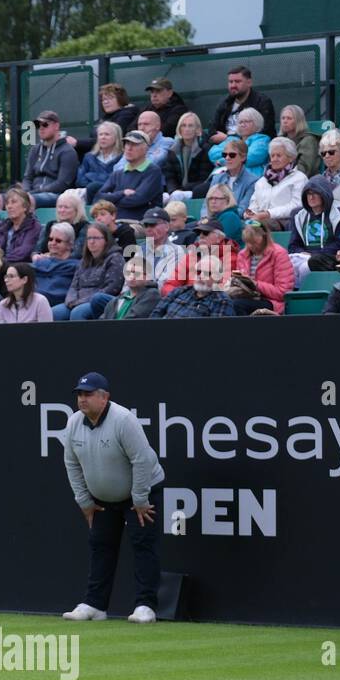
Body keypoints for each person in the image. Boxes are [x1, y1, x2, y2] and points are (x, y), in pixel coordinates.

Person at [61, 372, 165, 624]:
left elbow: (141, 460)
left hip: (141, 494)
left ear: (104, 397)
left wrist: (140, 499)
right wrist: (84, 502)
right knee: (100, 546)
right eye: (80, 395)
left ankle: (145, 606)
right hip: (103, 500)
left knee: (142, 546)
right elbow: (71, 463)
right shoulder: (74, 423)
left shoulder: (123, 420)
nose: (82, 399)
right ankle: (95, 605)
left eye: (88, 394)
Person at [55, 222, 123, 321]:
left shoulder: (115, 258)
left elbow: (112, 288)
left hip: (98, 302)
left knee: (77, 313)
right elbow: (74, 286)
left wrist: (81, 301)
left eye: (96, 238)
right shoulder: (83, 261)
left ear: (106, 240)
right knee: (54, 313)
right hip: (76, 301)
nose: (91, 242)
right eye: (89, 238)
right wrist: (71, 300)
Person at [287, 176, 340, 281]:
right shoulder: (298, 216)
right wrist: (301, 253)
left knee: (309, 263)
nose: (311, 197)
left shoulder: (339, 215)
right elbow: (293, 245)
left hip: (328, 258)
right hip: (304, 257)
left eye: (315, 193)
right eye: (308, 194)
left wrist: (314, 254)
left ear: (324, 194)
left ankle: (301, 290)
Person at [98, 130, 164, 221]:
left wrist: (112, 199)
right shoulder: (118, 173)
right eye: (127, 144)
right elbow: (100, 197)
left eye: (134, 144)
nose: (129, 148)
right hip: (117, 224)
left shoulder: (153, 171)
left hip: (145, 226)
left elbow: (137, 199)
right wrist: (122, 193)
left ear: (146, 149)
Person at [245, 137, 308, 230]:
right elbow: (254, 204)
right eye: (272, 156)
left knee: (256, 226)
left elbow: (297, 205)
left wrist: (269, 213)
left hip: (286, 222)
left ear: (291, 158)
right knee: (237, 225)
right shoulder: (262, 181)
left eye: (278, 155)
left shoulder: (299, 178)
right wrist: (250, 212)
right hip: (261, 220)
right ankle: (222, 245)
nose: (274, 159)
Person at [207, 65, 276, 149]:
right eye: (230, 82)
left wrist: (227, 139)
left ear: (249, 82)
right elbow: (212, 128)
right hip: (225, 148)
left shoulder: (262, 102)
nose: (233, 85)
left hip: (251, 147)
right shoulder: (225, 102)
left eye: (237, 81)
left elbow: (265, 132)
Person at [20, 110, 78, 208]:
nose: (41, 128)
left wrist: (32, 193)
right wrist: (25, 192)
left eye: (45, 124)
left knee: (29, 200)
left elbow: (62, 184)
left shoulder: (68, 151)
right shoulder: (35, 149)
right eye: (38, 125)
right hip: (32, 193)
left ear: (56, 126)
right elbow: (27, 177)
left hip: (56, 195)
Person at [150, 255, 237, 318]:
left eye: (208, 273)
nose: (201, 276)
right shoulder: (179, 291)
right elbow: (156, 314)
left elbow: (215, 334)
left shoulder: (222, 301)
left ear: (218, 278)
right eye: (199, 272)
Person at [235, 221, 294, 313]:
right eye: (248, 242)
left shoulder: (279, 254)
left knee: (238, 305)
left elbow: (283, 292)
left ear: (264, 237)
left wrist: (256, 285)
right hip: (249, 298)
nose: (250, 246)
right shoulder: (242, 255)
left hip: (273, 302)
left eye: (254, 242)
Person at [162, 112, 214, 202]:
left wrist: (183, 189)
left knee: (177, 196)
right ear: (179, 129)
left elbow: (204, 179)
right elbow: (170, 177)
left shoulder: (205, 149)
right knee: (162, 197)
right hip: (176, 191)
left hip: (196, 192)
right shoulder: (173, 150)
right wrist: (173, 190)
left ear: (197, 129)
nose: (186, 129)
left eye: (190, 126)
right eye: (183, 125)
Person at [207, 108, 271, 173]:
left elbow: (251, 158)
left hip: (250, 178)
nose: (243, 125)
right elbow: (213, 153)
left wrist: (223, 161)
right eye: (240, 122)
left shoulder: (262, 139)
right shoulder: (232, 139)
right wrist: (232, 156)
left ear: (257, 123)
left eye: (247, 121)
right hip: (223, 177)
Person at [100, 254, 160, 319]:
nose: (131, 276)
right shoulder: (117, 300)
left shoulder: (152, 295)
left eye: (136, 273)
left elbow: (132, 320)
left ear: (147, 276)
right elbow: (101, 322)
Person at [32, 222, 79, 305]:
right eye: (50, 239)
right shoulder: (40, 262)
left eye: (58, 241)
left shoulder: (74, 266)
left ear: (69, 245)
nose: (53, 243)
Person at [0, 186, 41, 263]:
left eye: (13, 202)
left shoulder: (33, 226)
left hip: (19, 267)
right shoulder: (3, 226)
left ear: (25, 206)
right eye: (7, 203)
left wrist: (1, 261)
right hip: (0, 265)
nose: (9, 206)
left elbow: (23, 253)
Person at [138, 208, 183, 289]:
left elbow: (165, 283)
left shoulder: (177, 251)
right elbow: (129, 279)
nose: (148, 229)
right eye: (145, 225)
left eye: (153, 225)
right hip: (134, 296)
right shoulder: (141, 249)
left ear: (167, 227)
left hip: (157, 297)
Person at [78, 122, 123, 202]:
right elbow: (80, 180)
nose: (103, 137)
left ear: (116, 137)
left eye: (107, 134)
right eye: (100, 134)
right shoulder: (89, 157)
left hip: (113, 196)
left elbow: (117, 181)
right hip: (90, 195)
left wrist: (90, 175)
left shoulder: (123, 157)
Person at [34, 190, 87, 255]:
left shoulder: (84, 226)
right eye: (60, 207)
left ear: (77, 210)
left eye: (66, 207)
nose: (62, 210)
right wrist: (36, 256)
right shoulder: (49, 225)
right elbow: (37, 250)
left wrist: (52, 256)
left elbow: (77, 253)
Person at [277, 105, 319, 178]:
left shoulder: (308, 140)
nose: (285, 121)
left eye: (289, 118)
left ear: (298, 121)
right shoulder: (279, 140)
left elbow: (304, 169)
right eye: (283, 118)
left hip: (301, 182)